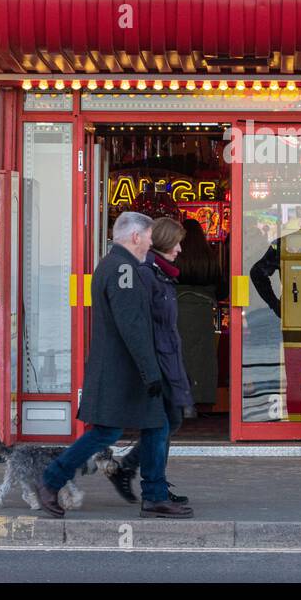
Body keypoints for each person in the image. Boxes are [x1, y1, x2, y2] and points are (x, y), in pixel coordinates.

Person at [36, 211, 192, 519]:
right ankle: (51, 481)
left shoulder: (116, 265)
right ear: (136, 237)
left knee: (156, 426)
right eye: (149, 237)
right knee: (105, 434)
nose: (151, 242)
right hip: (123, 372)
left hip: (121, 369)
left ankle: (155, 495)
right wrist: (151, 372)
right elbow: (132, 326)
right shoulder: (124, 269)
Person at [108, 217, 194, 506]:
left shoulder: (162, 273)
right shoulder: (147, 274)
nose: (181, 248)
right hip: (157, 361)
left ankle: (129, 468)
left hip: (167, 358)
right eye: (177, 242)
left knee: (169, 421)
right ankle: (152, 490)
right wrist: (148, 366)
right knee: (162, 423)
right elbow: (138, 322)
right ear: (164, 242)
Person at [175, 217, 224, 409]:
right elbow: (221, 289)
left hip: (177, 309)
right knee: (202, 358)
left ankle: (179, 400)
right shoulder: (210, 256)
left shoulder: (175, 255)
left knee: (178, 355)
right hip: (203, 311)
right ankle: (201, 399)